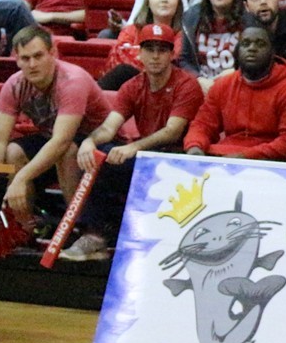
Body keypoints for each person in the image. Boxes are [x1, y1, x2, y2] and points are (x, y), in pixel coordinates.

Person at [65, 24, 206, 260]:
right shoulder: (132, 86)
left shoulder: (187, 85)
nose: (155, 55)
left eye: (162, 50)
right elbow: (109, 127)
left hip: (180, 161)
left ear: (172, 54)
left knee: (112, 161)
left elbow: (172, 132)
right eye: (149, 49)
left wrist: (133, 147)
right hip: (147, 159)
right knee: (97, 155)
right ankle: (96, 236)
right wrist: (89, 142)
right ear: (139, 53)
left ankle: (107, 233)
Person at [0, 27, 111, 227]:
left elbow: (61, 141)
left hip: (102, 145)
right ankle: (23, 228)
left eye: (38, 56)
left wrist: (21, 178)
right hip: (59, 141)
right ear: (16, 60)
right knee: (13, 151)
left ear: (53, 53)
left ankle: (80, 228)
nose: (32, 64)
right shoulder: (14, 85)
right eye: (25, 59)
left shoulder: (72, 81)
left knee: (67, 151)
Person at [185, 26, 286, 161]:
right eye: (245, 44)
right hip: (225, 159)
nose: (252, 48)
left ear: (273, 52)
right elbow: (202, 125)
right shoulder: (223, 85)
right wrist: (195, 147)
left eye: (260, 44)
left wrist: (245, 157)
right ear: (237, 52)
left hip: (272, 165)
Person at [100, 0, 190, 89]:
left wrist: (136, 54)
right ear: (148, 1)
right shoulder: (132, 29)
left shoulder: (185, 34)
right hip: (127, 83)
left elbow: (170, 61)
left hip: (165, 86)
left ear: (178, 2)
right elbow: (118, 57)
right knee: (122, 71)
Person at [182, 0, 244, 90]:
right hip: (201, 86)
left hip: (237, 85)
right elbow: (184, 60)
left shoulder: (249, 19)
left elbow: (258, 59)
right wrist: (198, 79)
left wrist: (236, 71)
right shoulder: (191, 17)